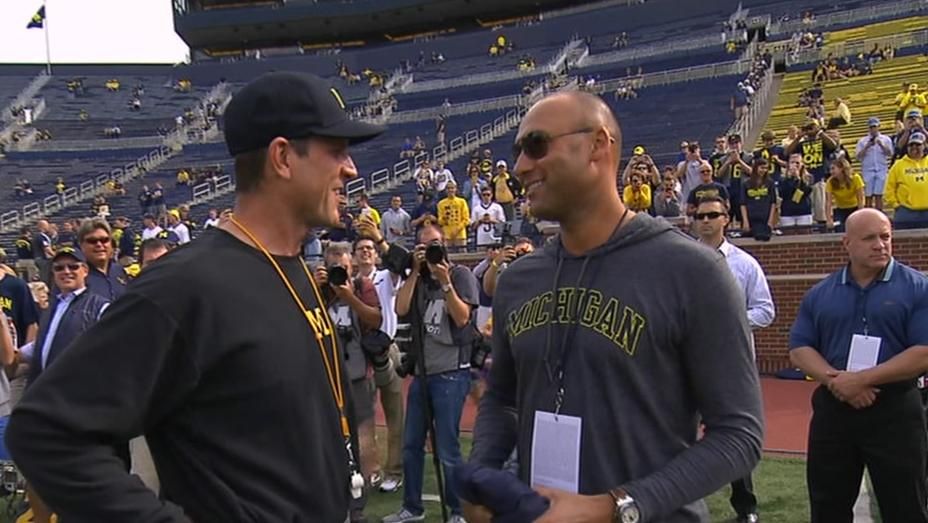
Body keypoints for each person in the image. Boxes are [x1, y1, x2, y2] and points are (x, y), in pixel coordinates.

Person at [6, 71, 387, 521]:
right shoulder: (187, 285)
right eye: (336, 151)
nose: (351, 169)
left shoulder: (295, 267)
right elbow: (45, 430)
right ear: (282, 157)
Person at [467, 91, 763, 523]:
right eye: (517, 153)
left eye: (536, 146)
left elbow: (740, 435)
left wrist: (616, 506)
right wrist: (483, 474)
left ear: (598, 146)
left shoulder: (693, 271)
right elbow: (502, 400)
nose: (519, 167)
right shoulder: (519, 280)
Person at [789, 209, 928, 522]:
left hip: (895, 411)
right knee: (828, 506)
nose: (880, 245)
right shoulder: (820, 293)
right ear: (846, 243)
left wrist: (862, 380)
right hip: (835, 408)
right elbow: (799, 348)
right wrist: (838, 382)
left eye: (886, 237)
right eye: (869, 238)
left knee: (905, 506)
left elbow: (923, 352)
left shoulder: (918, 287)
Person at [382, 225, 478, 523]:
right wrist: (414, 271)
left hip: (451, 373)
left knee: (448, 448)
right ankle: (412, 507)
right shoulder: (418, 278)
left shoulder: (460, 274)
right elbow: (400, 308)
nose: (433, 250)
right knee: (411, 445)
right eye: (425, 246)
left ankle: (458, 511)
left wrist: (445, 281)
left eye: (436, 244)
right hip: (423, 374)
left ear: (445, 244)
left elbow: (463, 319)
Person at [695, 196, 774, 523]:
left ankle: (746, 508)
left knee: (733, 436)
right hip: (684, 366)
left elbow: (766, 311)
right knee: (674, 435)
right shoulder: (680, 259)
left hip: (729, 367)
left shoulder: (744, 264)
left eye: (713, 215)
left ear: (727, 219)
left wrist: (732, 323)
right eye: (699, 215)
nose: (705, 221)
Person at [884, 131, 928, 229]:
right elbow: (889, 188)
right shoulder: (898, 165)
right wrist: (896, 205)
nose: (914, 147)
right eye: (911, 145)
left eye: (918, 144)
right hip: (906, 212)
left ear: (924, 146)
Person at [855, 117, 893, 210]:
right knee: (868, 195)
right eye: (871, 127)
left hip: (881, 169)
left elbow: (890, 153)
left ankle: (879, 213)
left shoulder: (885, 139)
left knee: (879, 194)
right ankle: (868, 214)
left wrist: (881, 145)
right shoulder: (862, 141)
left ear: (879, 127)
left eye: (875, 127)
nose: (873, 129)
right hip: (868, 170)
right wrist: (867, 146)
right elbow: (858, 156)